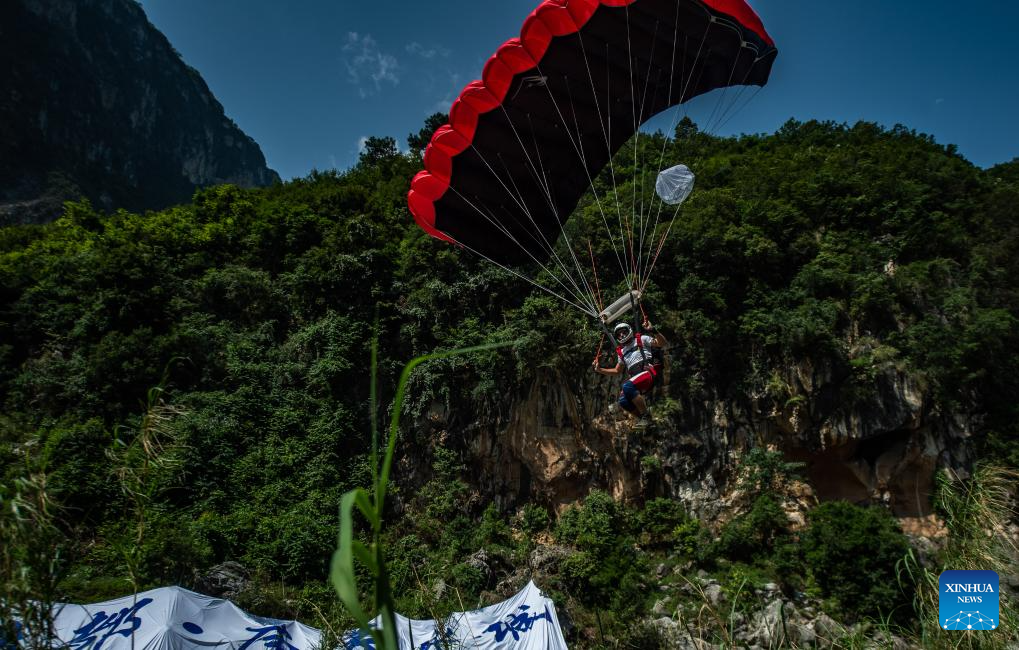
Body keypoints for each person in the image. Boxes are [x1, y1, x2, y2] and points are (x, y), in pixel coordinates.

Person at [592, 320, 666, 421]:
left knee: (627, 386)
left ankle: (646, 416)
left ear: (629, 330)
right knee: (623, 400)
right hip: (637, 380)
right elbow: (617, 371)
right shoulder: (621, 352)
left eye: (624, 332)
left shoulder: (642, 339)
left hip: (648, 373)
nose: (622, 335)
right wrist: (600, 369)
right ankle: (645, 421)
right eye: (619, 334)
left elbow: (662, 343)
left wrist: (653, 330)